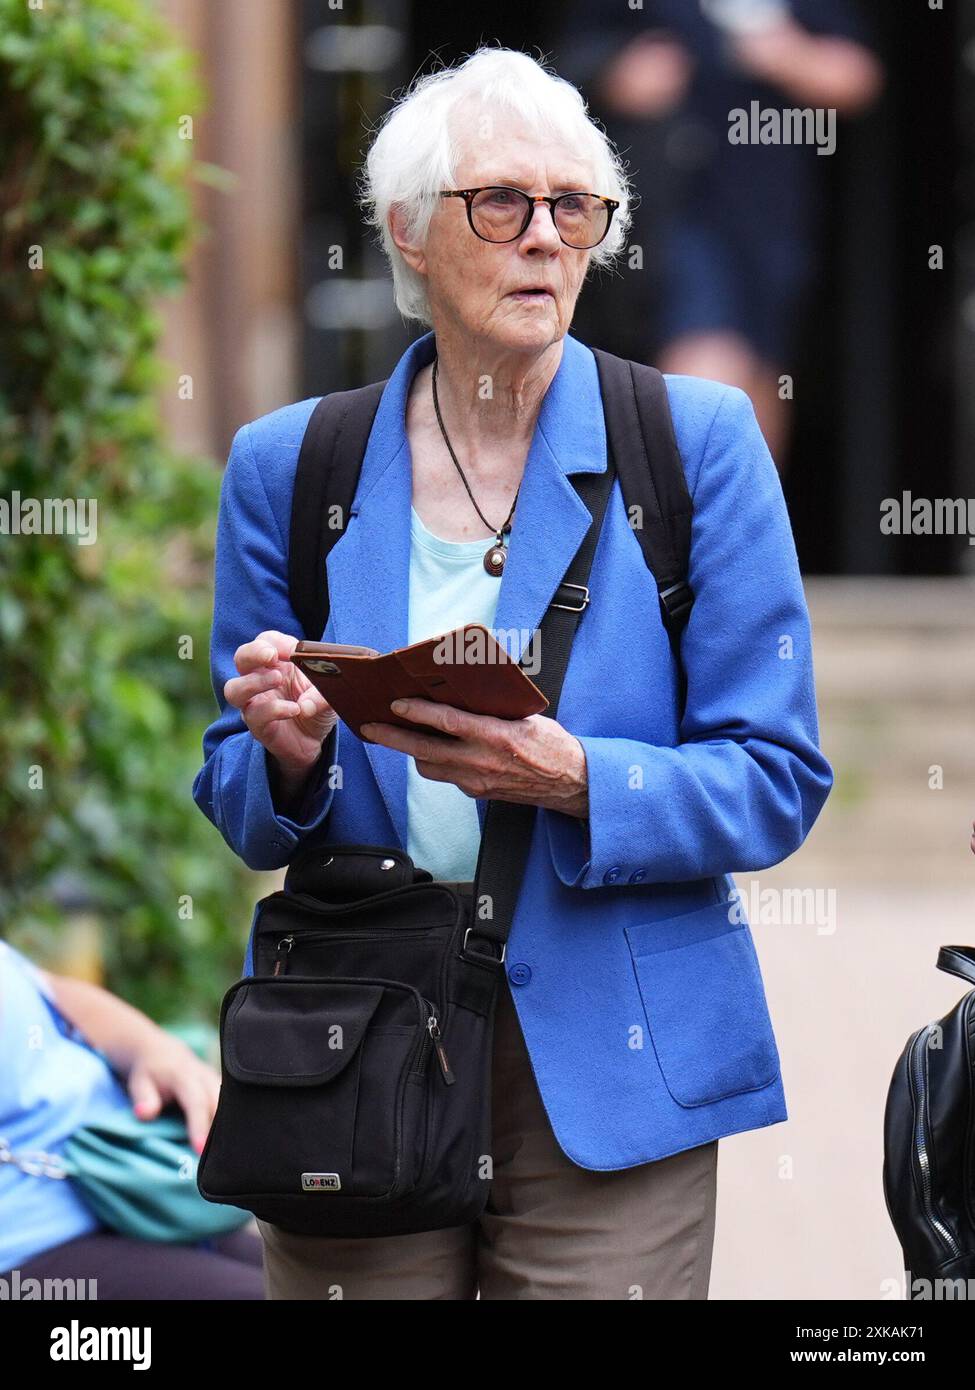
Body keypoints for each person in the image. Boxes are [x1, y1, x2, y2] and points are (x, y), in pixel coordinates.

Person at [192, 44, 833, 1300]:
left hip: (613, 1058)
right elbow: (235, 789)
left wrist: (580, 778)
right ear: (409, 232)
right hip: (358, 1044)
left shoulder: (695, 444)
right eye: (502, 203)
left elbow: (778, 775)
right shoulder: (292, 465)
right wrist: (289, 749)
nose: (545, 237)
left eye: (574, 207)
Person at [559, 0, 884, 462]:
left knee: (759, 381)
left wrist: (788, 54)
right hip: (667, 206)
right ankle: (680, 525)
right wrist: (620, 72)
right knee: (703, 355)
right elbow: (564, 65)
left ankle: (736, 528)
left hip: (769, 214)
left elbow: (858, 77)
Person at [0, 938, 264, 1298]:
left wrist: (153, 1049)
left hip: (132, 1192)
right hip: (33, 1250)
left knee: (320, 1273)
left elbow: (47, 989)